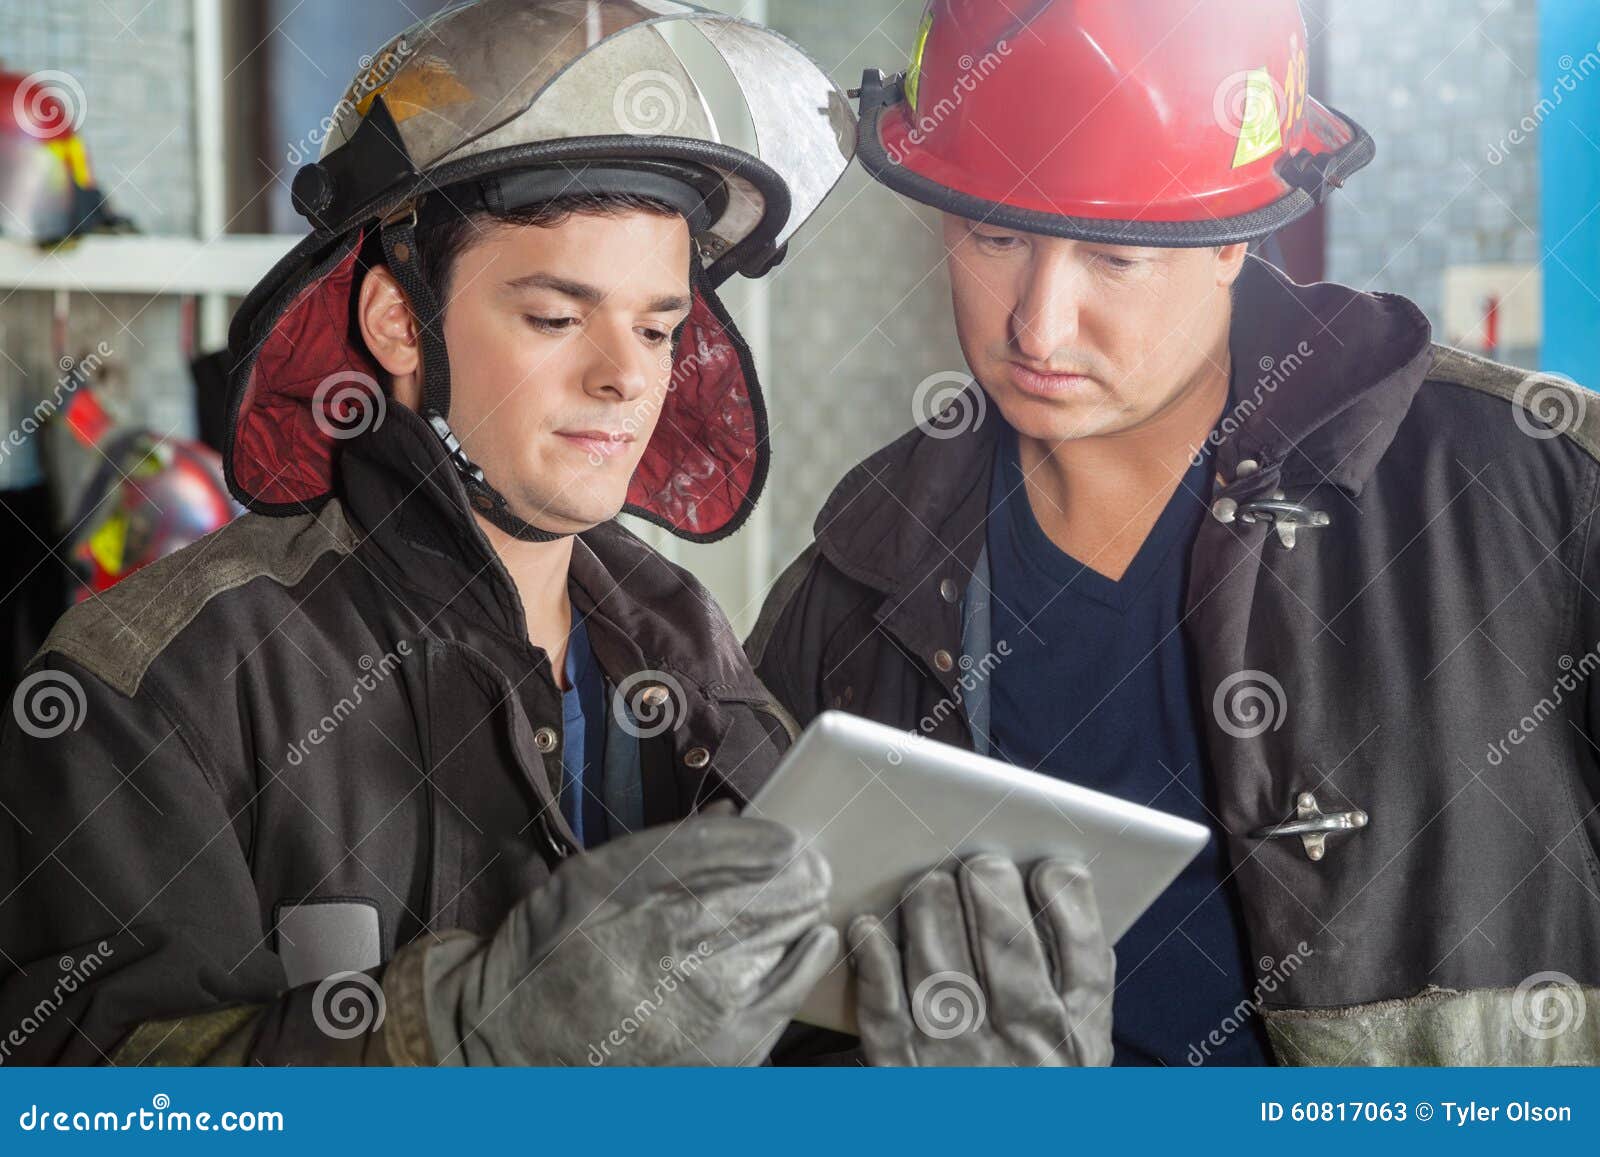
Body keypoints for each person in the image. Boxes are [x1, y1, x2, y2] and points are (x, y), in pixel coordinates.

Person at [751, 0, 1600, 1065]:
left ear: (1234, 239)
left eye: (1114, 258)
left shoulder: (1528, 490)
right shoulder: (854, 579)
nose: (1038, 325)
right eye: (997, 236)